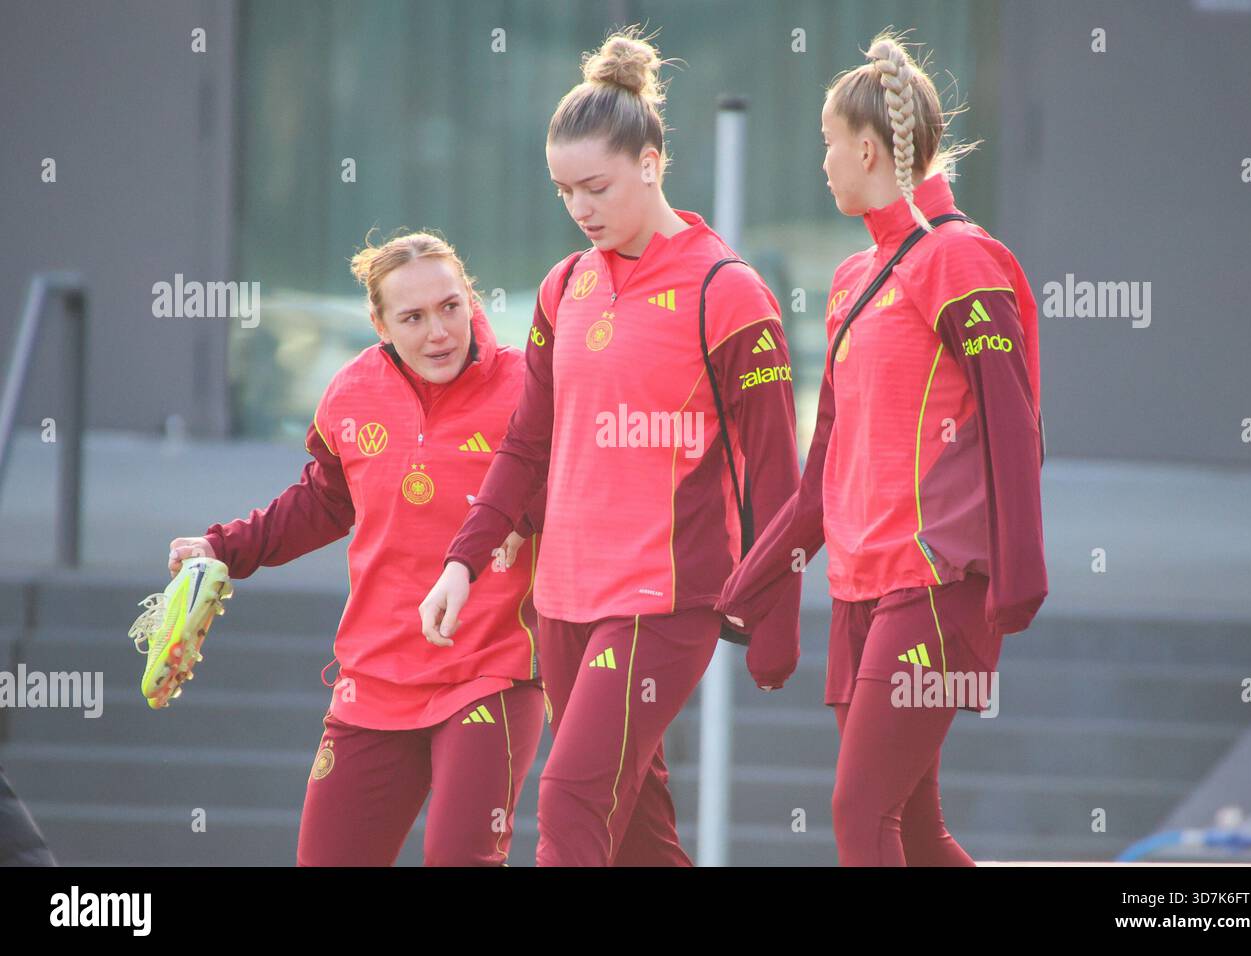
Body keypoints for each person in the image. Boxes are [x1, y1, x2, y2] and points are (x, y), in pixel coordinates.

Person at [419, 28, 801, 866]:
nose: (580, 208)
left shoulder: (727, 292)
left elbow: (778, 477)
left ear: (652, 162)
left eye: (595, 185)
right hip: (560, 598)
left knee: (570, 797)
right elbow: (527, 444)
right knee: (638, 841)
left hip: (665, 602)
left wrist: (779, 613)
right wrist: (462, 560)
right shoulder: (565, 286)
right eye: (564, 192)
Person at [716, 30, 1048, 866]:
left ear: (867, 148)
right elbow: (823, 465)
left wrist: (1020, 573)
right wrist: (750, 585)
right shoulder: (848, 280)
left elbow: (1015, 425)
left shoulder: (960, 258)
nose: (822, 162)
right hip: (860, 591)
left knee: (860, 813)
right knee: (916, 830)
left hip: (936, 584)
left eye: (828, 144)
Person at [168, 230, 546, 865]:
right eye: (413, 317)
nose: (439, 332)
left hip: (491, 671)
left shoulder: (525, 387)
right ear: (378, 322)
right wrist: (221, 547)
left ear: (470, 298)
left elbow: (569, 488)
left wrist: (523, 518)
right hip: (374, 676)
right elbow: (321, 502)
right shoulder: (350, 392)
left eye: (451, 306)